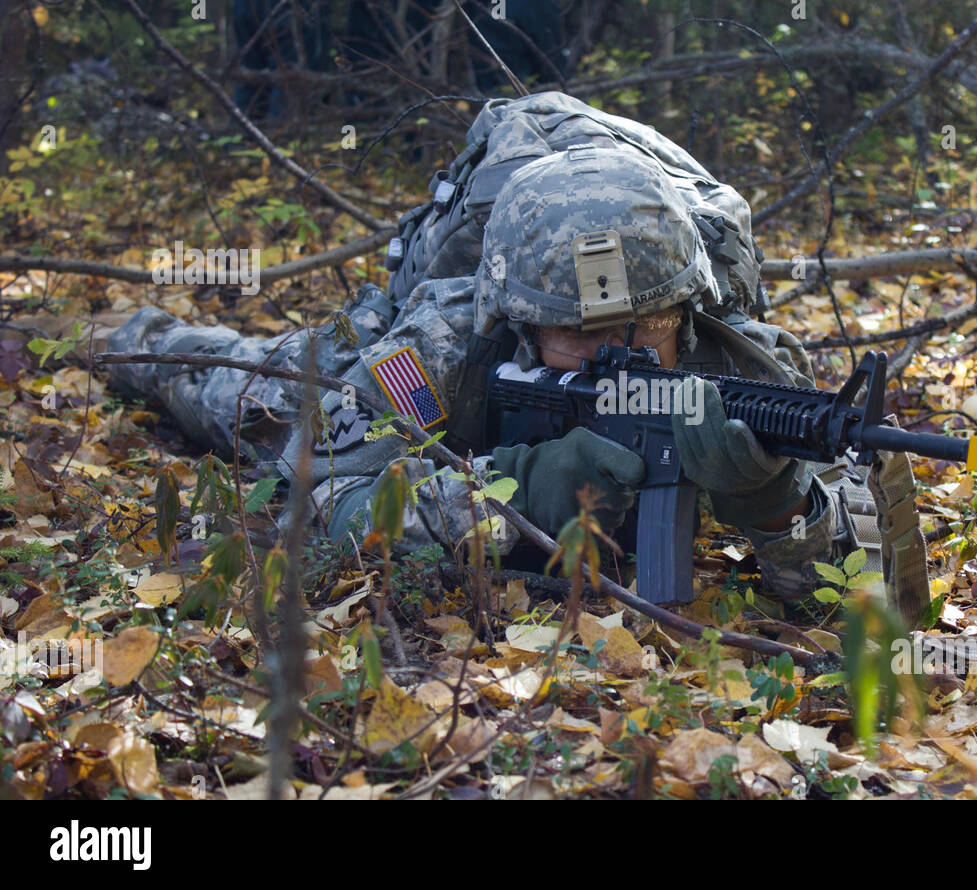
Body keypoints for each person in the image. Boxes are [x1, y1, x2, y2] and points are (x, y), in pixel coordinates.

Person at [105, 128, 929, 622]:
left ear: (685, 307)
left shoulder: (750, 375)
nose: (621, 356)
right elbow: (319, 503)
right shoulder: (448, 345)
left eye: (645, 325)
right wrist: (510, 492)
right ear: (521, 326)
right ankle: (131, 334)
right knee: (249, 397)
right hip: (408, 340)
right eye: (579, 336)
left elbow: (854, 606)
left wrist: (774, 505)